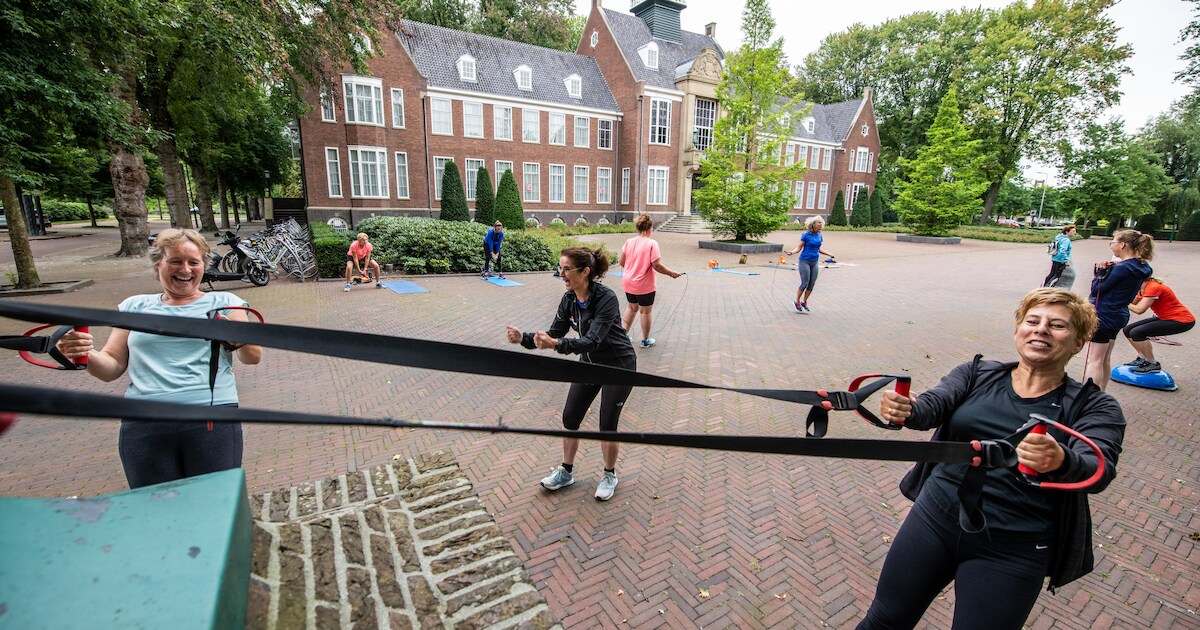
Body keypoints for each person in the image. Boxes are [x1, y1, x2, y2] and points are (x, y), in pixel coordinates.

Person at [858, 288, 1125, 630]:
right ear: (1018, 330)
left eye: (1057, 325)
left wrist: (1061, 459)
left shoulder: (1095, 406)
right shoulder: (977, 374)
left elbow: (1099, 467)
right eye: (1032, 321)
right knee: (884, 620)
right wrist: (907, 410)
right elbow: (932, 406)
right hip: (933, 520)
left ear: (1077, 343)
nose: (1041, 329)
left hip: (1014, 547)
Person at [54, 228, 263, 489]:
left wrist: (237, 337)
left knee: (214, 506)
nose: (185, 269)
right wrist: (83, 353)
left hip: (211, 418)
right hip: (144, 421)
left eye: (193, 262)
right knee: (153, 509)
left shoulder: (225, 302)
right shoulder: (135, 306)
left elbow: (251, 357)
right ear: (158, 263)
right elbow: (110, 368)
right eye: (175, 261)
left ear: (203, 265)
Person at [505, 246, 636, 502]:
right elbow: (555, 333)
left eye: (566, 269)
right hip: (588, 364)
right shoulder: (569, 299)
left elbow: (591, 340)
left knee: (607, 426)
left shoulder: (606, 298)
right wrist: (525, 339)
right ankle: (566, 472)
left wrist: (556, 345)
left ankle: (609, 474)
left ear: (585, 272)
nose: (561, 274)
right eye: (560, 268)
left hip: (618, 366)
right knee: (570, 418)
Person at [1082, 229, 1154, 390]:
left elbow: (1096, 289)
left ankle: (1087, 400)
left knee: (1094, 360)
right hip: (1118, 315)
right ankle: (1100, 394)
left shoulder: (1121, 269)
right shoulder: (1142, 267)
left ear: (1122, 245)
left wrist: (1101, 271)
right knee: (1105, 358)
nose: (1112, 245)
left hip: (1103, 315)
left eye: (1113, 242)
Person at [619, 213, 681, 348]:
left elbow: (622, 262)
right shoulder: (652, 243)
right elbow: (656, 265)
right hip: (644, 285)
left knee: (631, 308)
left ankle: (623, 336)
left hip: (628, 282)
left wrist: (633, 269)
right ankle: (645, 340)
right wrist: (671, 273)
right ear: (650, 229)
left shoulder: (629, 242)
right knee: (645, 312)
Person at [1121, 277, 1195, 373]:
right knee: (1127, 330)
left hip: (1182, 320)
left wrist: (1123, 302)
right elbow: (1132, 303)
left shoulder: (1153, 287)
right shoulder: (1141, 287)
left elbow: (1139, 310)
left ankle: (1152, 363)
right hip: (1166, 317)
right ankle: (1142, 358)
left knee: (1137, 332)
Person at [784, 215, 834, 313]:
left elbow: (818, 249)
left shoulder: (820, 235)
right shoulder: (806, 235)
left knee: (811, 284)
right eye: (818, 222)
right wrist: (792, 252)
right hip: (804, 261)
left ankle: (804, 301)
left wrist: (829, 254)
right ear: (813, 224)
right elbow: (799, 247)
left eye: (821, 222)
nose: (820, 224)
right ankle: (797, 301)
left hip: (814, 262)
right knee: (804, 283)